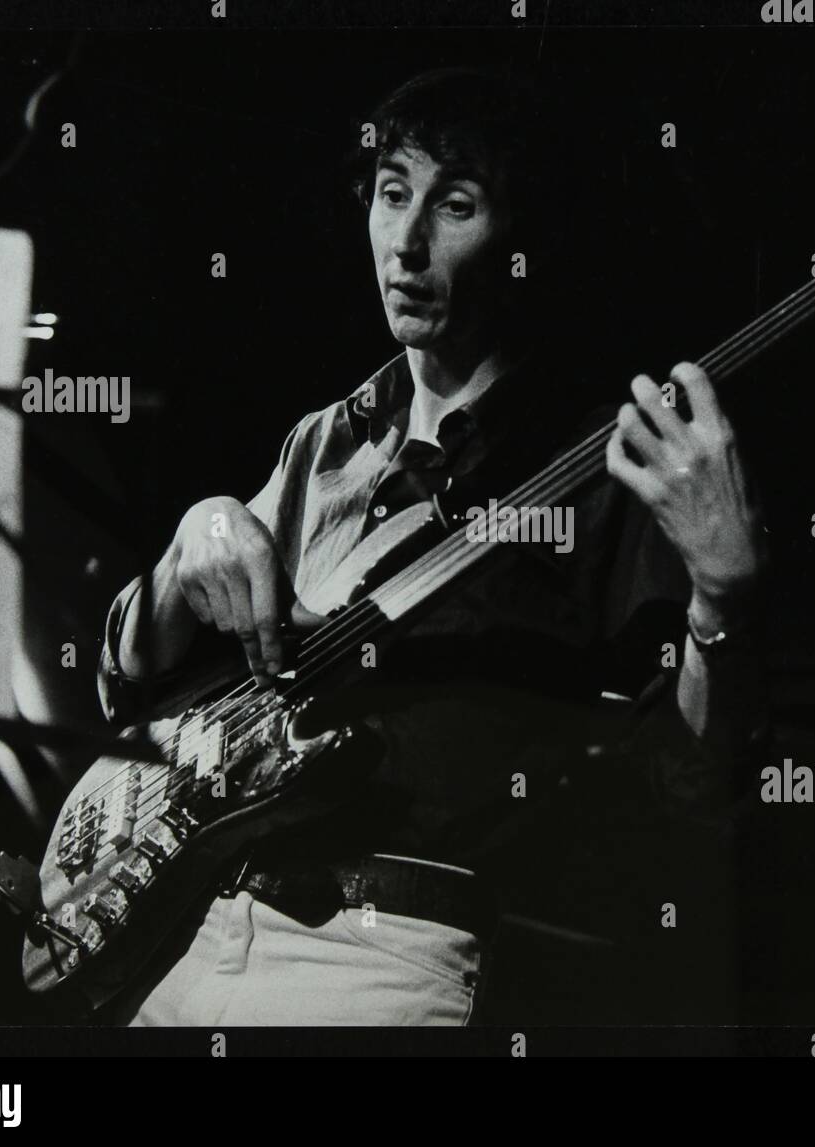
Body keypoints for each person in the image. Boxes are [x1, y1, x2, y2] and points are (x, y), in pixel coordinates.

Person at [97, 66, 771, 1026]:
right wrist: (186, 546)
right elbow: (123, 685)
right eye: (391, 194)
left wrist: (725, 601)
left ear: (522, 235)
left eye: (455, 205)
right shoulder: (325, 439)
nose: (405, 244)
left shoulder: (602, 467)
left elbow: (696, 791)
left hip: (381, 953)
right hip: (192, 924)